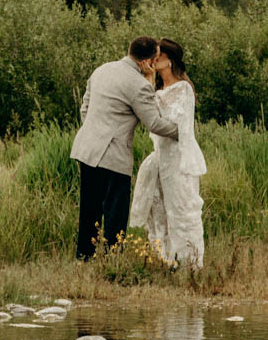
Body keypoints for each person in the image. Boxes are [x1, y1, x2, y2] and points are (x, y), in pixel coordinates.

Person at [71, 35, 180, 260]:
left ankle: (84, 259)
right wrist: (183, 131)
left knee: (89, 209)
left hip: (86, 148)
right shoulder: (139, 85)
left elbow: (85, 108)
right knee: (115, 213)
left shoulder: (101, 70)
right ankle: (113, 262)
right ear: (147, 61)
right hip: (113, 155)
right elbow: (155, 123)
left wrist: (96, 132)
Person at [128, 38, 206, 268]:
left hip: (178, 157)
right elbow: (150, 116)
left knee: (182, 208)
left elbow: (179, 127)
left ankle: (190, 261)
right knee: (158, 210)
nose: (155, 59)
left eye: (159, 56)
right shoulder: (157, 90)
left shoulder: (183, 89)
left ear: (169, 61)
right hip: (161, 156)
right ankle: (166, 259)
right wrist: (149, 80)